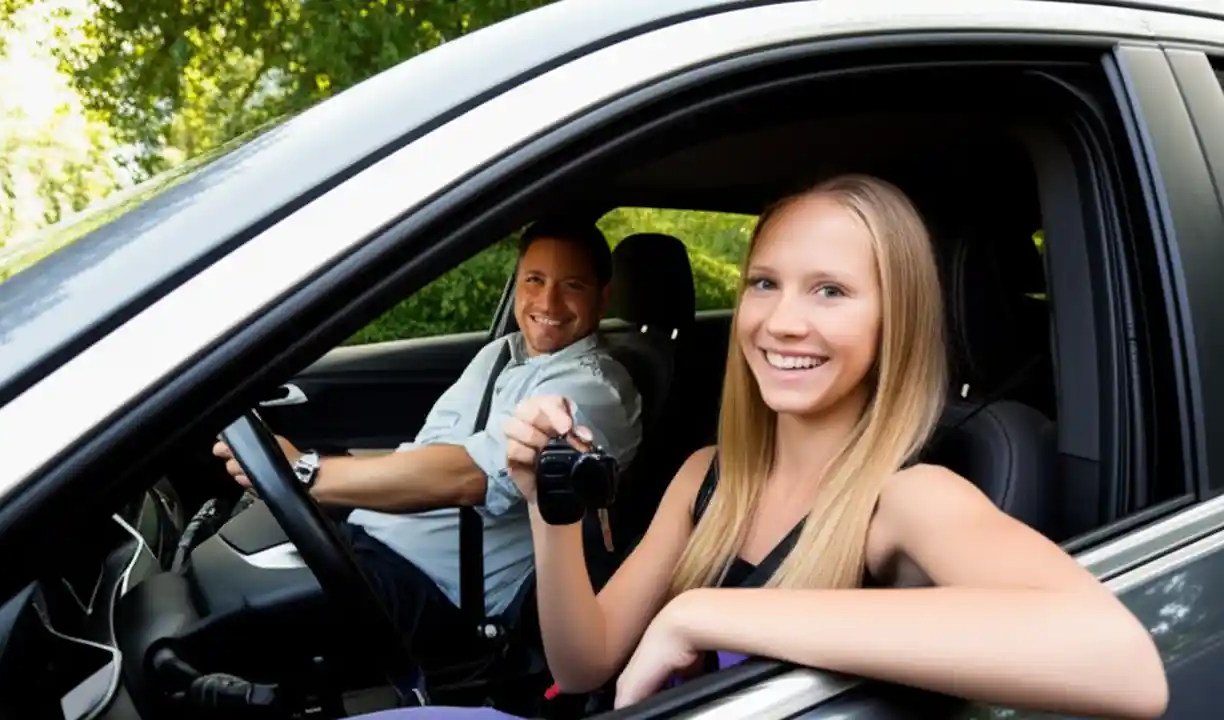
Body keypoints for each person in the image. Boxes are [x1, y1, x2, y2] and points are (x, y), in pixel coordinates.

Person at [504, 176, 1169, 718]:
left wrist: (703, 613)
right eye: (765, 283)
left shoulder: (907, 499)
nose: (782, 322)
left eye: (830, 291)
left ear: (893, 320)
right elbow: (583, 663)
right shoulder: (708, 478)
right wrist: (550, 507)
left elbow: (1122, 663)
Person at [213, 218, 642, 661]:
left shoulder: (594, 390)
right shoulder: (502, 353)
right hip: (370, 543)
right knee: (218, 589)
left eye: (572, 285)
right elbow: (432, 450)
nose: (547, 301)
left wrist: (307, 473)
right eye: (535, 280)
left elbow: (472, 476)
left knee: (225, 632)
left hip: (438, 594)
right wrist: (318, 465)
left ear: (602, 297)